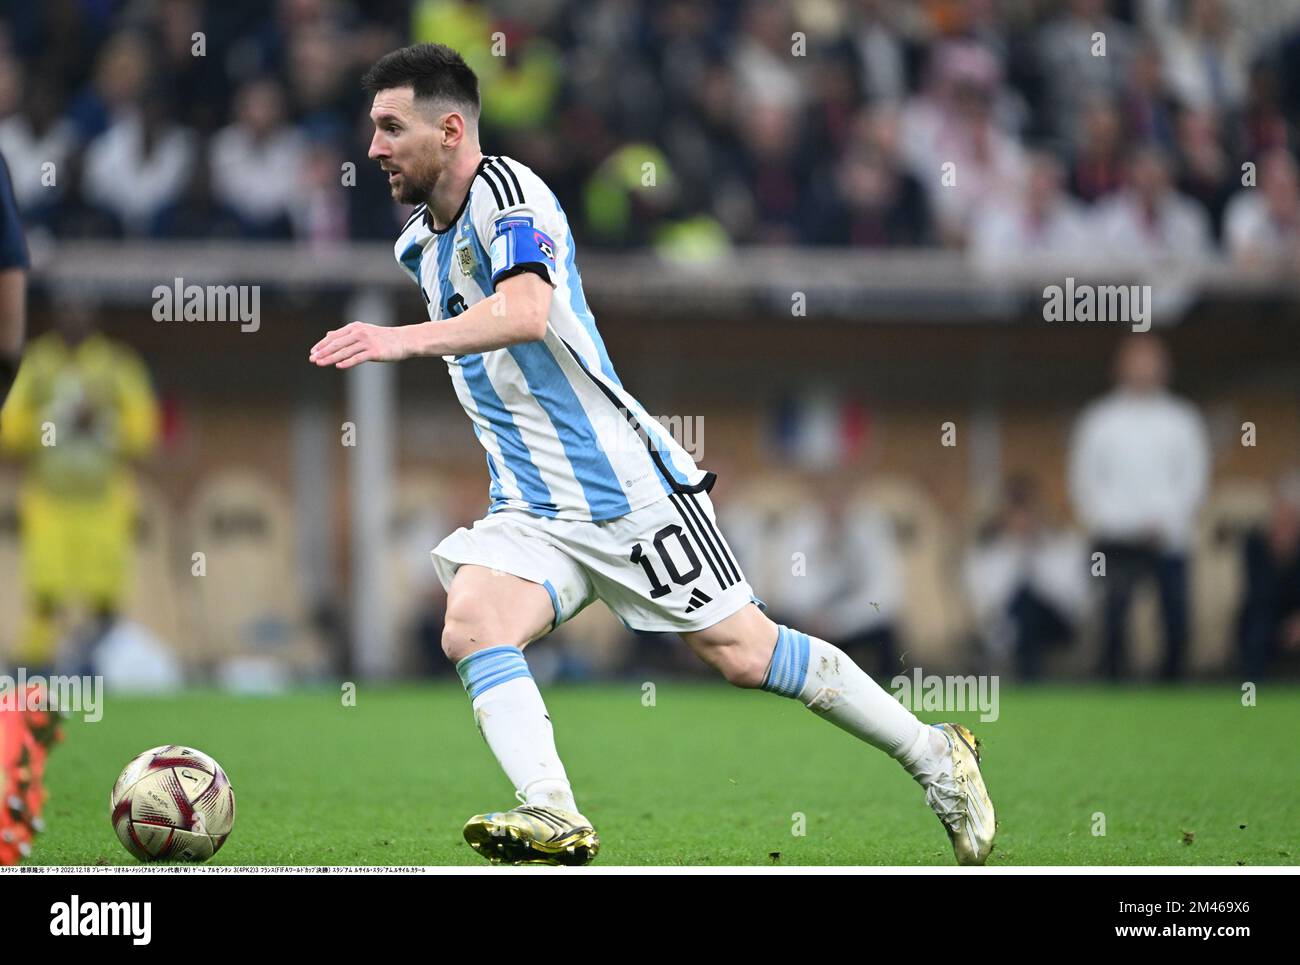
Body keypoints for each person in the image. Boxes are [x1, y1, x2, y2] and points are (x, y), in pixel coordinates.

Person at [310, 44, 995, 866]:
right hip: (533, 509)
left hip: (624, 490)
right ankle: (552, 810)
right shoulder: (417, 244)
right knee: (473, 621)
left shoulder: (514, 196)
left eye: (391, 128)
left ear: (451, 128)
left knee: (746, 652)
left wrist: (396, 339)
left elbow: (526, 309)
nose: (374, 148)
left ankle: (935, 755)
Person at [0, 298, 160, 675]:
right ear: (56, 313)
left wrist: (102, 424)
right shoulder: (36, 366)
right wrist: (54, 420)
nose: (75, 315)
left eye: (82, 308)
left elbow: (145, 430)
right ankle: (36, 677)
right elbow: (9, 428)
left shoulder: (117, 366)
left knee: (105, 597)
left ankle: (100, 676)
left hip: (104, 501)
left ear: (94, 314)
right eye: (68, 308)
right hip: (49, 502)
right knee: (46, 596)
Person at [1068, 337, 1210, 680]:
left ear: (1165, 368)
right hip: (1114, 539)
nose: (1144, 370)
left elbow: (1194, 477)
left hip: (1168, 536)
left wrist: (1165, 520)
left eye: (1152, 362)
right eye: (1137, 361)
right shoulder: (1098, 419)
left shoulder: (1183, 419)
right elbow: (1084, 479)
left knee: (1175, 616)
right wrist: (1115, 522)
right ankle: (1113, 685)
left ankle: (1172, 684)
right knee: (1113, 617)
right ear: (1119, 367)